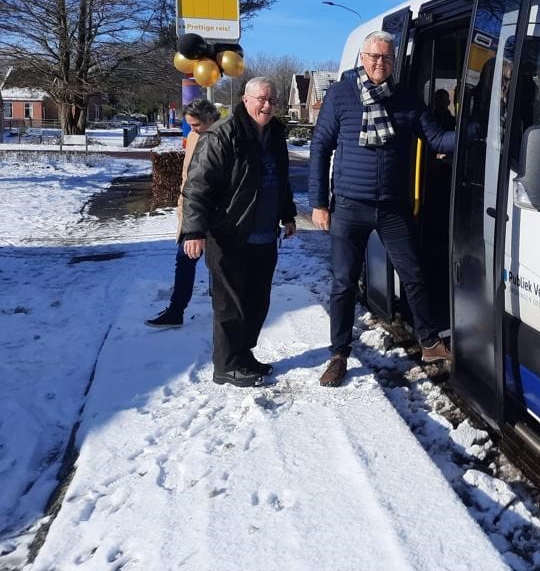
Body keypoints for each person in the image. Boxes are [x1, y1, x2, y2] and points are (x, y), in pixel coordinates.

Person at [309, 30, 456, 387]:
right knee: (344, 283)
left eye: (387, 57)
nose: (380, 63)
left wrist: (476, 132)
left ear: (394, 62)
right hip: (349, 206)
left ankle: (429, 343)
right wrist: (319, 203)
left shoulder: (406, 99)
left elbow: (436, 138)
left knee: (414, 274)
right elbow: (320, 147)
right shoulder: (341, 95)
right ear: (363, 58)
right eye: (374, 56)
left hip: (393, 207)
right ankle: (338, 355)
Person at [180, 78, 297, 388]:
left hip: (264, 235)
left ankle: (243, 355)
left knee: (257, 302)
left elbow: (280, 179)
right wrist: (193, 231)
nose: (268, 105)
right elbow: (198, 186)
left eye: (272, 100)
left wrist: (288, 215)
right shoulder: (222, 134)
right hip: (229, 234)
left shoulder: (275, 134)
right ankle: (226, 365)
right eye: (262, 99)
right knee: (229, 304)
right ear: (246, 100)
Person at [146, 98, 220, 328]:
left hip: (216, 214)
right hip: (193, 212)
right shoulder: (195, 137)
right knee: (185, 260)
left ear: (210, 119)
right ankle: (176, 310)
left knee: (219, 264)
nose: (192, 129)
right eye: (189, 125)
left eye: (196, 124)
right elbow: (188, 178)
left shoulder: (224, 137)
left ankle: (224, 311)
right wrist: (182, 207)